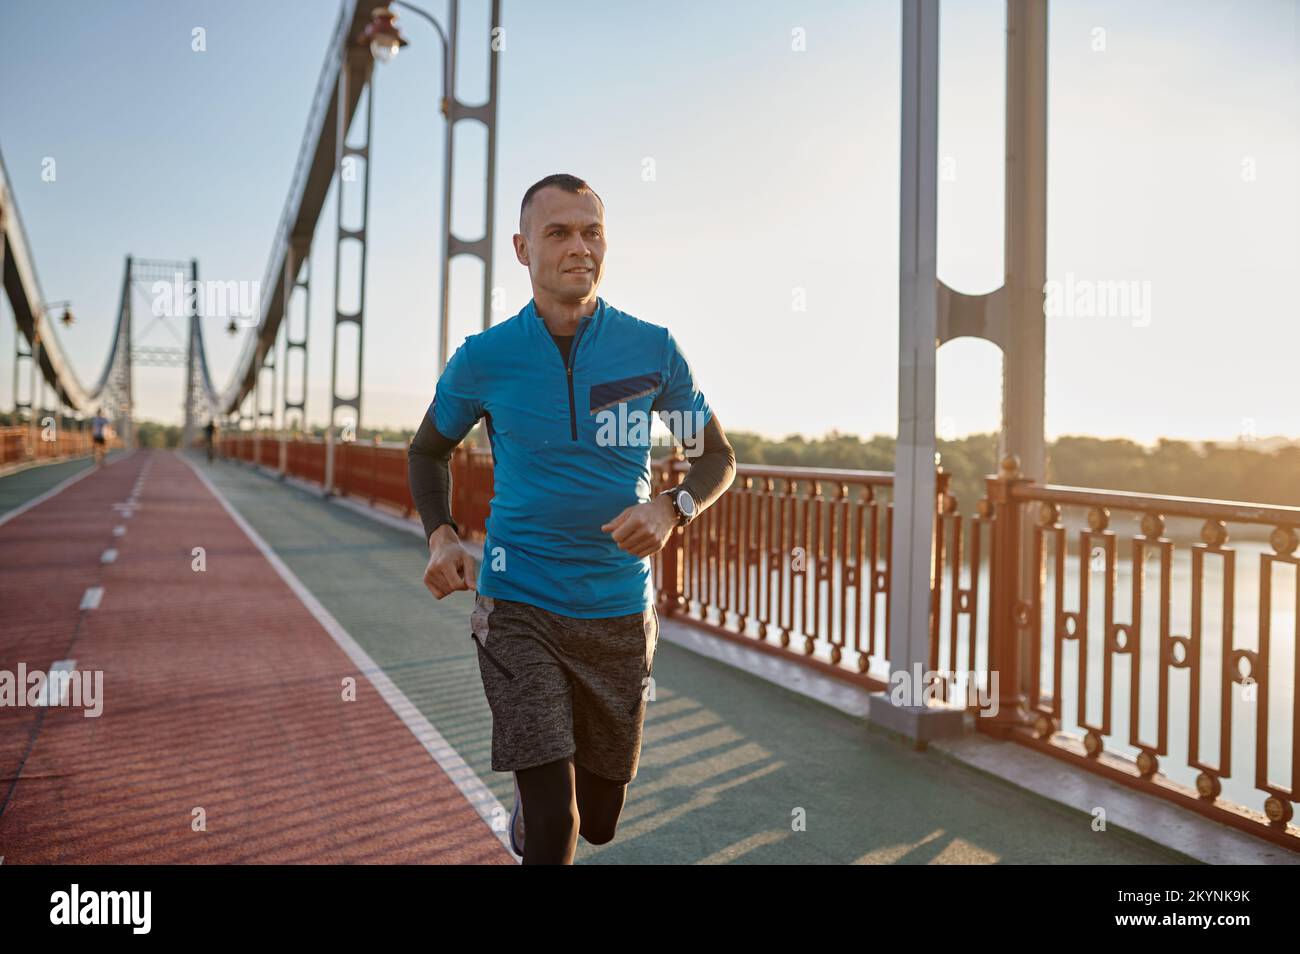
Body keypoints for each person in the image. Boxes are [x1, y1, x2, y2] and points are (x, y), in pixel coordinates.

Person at [408, 174, 736, 864]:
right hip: (518, 600)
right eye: (559, 232)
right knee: (557, 823)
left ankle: (541, 801)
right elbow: (428, 450)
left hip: (618, 610)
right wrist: (441, 535)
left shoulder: (651, 349)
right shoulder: (484, 358)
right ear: (524, 249)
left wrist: (672, 508)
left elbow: (715, 459)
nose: (579, 247)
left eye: (592, 232)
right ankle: (539, 806)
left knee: (601, 814)